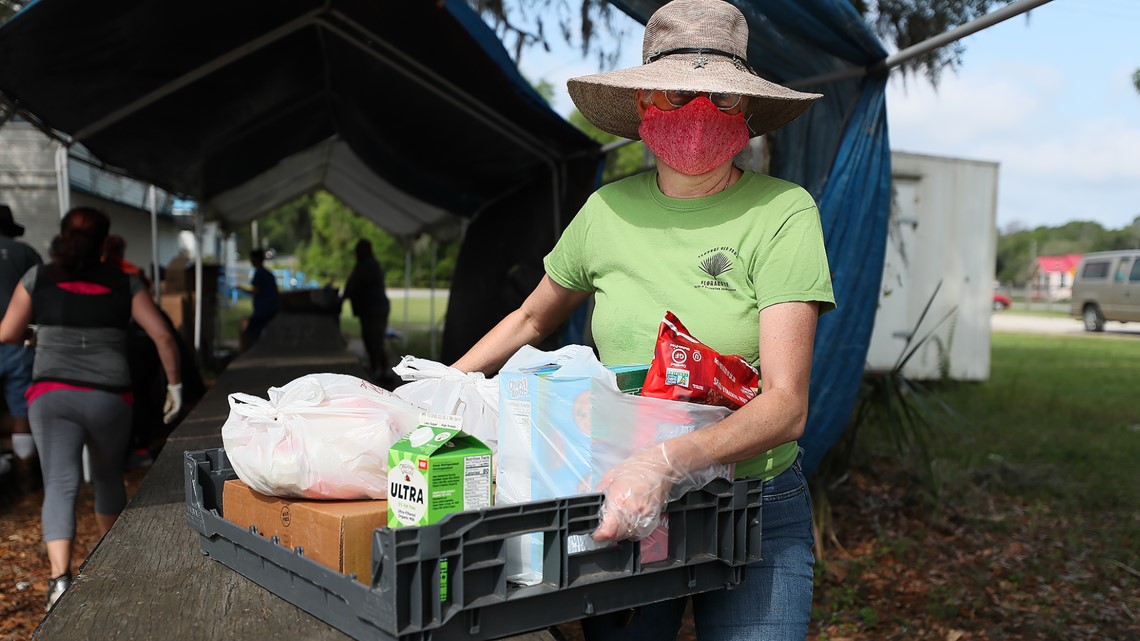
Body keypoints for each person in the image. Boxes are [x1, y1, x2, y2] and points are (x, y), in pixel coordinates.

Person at [451, 1, 833, 639]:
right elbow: (527, 318)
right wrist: (438, 389)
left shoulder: (783, 212)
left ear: (745, 113)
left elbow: (787, 405)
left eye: (719, 98)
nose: (697, 113)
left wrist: (663, 461)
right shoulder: (607, 211)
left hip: (752, 501)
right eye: (677, 95)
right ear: (644, 107)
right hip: (624, 498)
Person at [0, 207, 183, 611]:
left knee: (61, 485)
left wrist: (38, 335)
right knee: (106, 478)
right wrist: (175, 386)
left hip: (51, 399)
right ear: (104, 241)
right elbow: (163, 337)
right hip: (109, 398)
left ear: (63, 236)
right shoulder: (125, 281)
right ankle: (113, 570)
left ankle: (60, 582)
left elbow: (8, 333)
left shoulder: (39, 277)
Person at [0, 205, 43, 477]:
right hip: (18, 341)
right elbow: (44, 292)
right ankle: (25, 476)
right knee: (20, 410)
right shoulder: (25, 253)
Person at [342, 239, 391, 382]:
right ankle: (380, 370)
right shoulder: (366, 265)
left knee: (375, 341)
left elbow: (354, 285)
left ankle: (381, 371)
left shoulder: (368, 266)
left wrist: (342, 298)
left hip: (374, 310)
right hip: (372, 310)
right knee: (374, 341)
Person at [240, 248, 279, 350]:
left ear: (256, 259)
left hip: (263, 310)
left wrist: (240, 289)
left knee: (249, 333)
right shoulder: (269, 274)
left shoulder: (259, 274)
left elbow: (255, 291)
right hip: (272, 308)